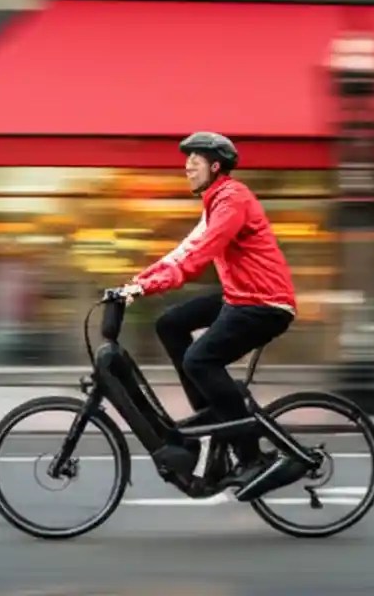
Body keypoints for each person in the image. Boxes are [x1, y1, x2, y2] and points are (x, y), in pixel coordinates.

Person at [119, 132, 308, 499]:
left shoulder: (232, 200)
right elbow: (183, 250)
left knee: (199, 359)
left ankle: (251, 458)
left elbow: (201, 255)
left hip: (265, 303)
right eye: (186, 159)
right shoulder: (215, 203)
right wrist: (134, 283)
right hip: (240, 295)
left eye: (195, 160)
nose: (187, 166)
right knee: (170, 323)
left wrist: (146, 289)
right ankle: (217, 416)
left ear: (215, 166)